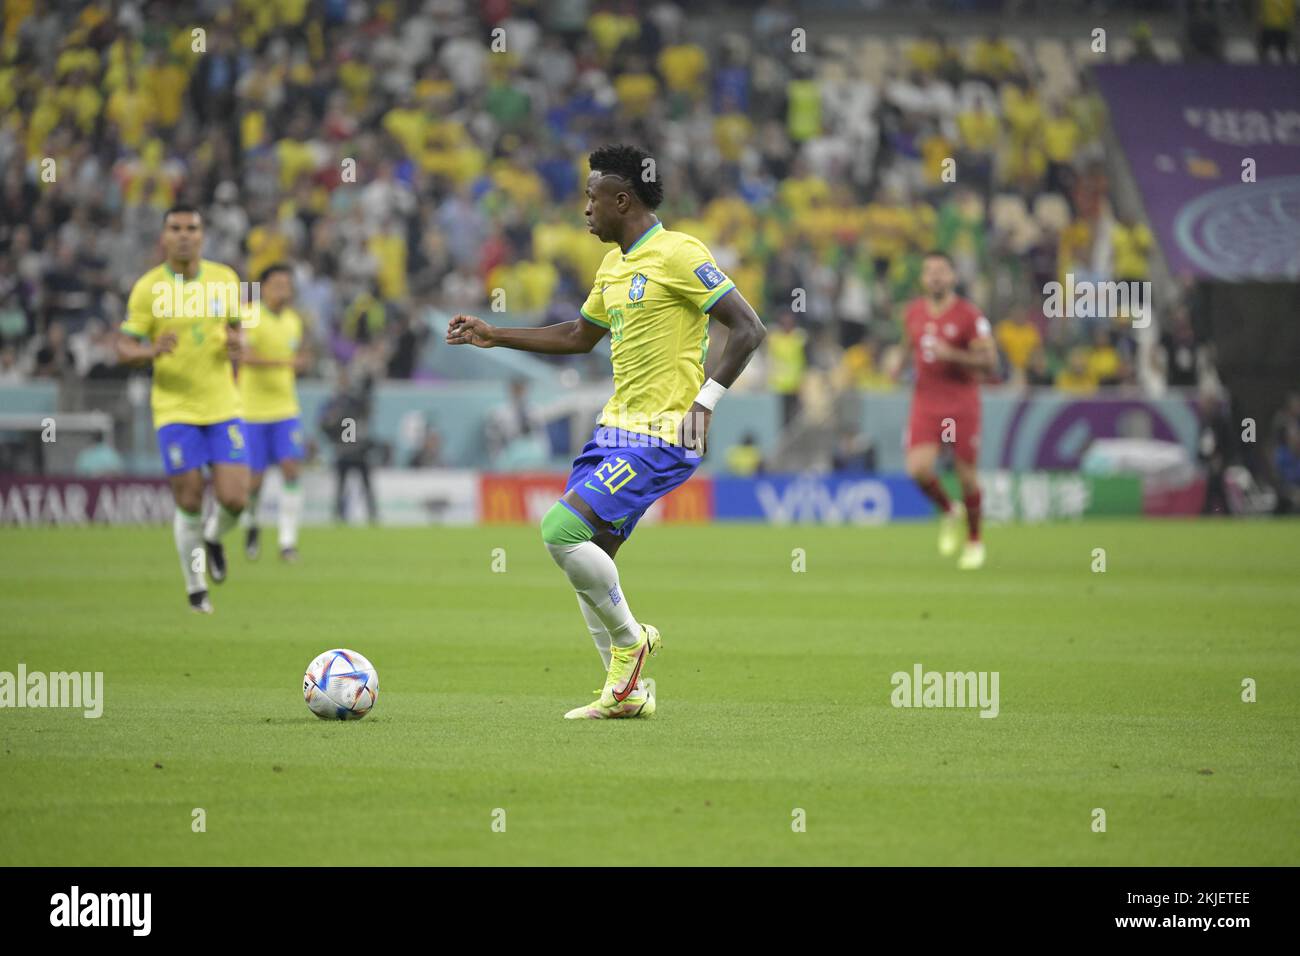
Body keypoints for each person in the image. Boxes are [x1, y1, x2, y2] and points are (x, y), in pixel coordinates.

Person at [447, 144, 766, 720]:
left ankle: (631, 643)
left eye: (592, 197)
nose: (585, 209)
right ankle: (626, 694)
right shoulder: (613, 266)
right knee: (590, 561)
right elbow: (577, 335)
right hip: (613, 431)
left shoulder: (678, 253)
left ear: (623, 199)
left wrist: (706, 404)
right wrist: (495, 335)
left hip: (664, 431)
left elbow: (748, 328)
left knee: (560, 528)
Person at [114, 205, 249, 613]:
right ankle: (196, 590)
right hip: (174, 408)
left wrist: (236, 348)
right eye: (176, 228)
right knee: (189, 498)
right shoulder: (147, 288)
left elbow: (237, 331)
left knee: (236, 499)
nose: (185, 235)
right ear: (164, 236)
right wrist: (148, 351)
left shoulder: (225, 278)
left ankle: (213, 536)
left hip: (223, 405)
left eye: (192, 227)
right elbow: (123, 348)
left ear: (203, 235)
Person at [901, 251, 997, 570]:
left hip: (960, 402)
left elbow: (990, 363)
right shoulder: (913, 313)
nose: (935, 277)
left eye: (941, 271)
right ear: (922, 278)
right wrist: (897, 365)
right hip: (927, 401)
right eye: (929, 271)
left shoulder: (969, 316)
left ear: (953, 277)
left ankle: (974, 540)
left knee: (966, 476)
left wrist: (951, 355)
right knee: (917, 469)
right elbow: (910, 347)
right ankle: (948, 510)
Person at [239, 263, 310, 563]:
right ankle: (252, 524)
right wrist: (283, 364)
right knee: (254, 479)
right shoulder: (250, 314)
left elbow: (298, 358)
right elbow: (243, 354)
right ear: (264, 287)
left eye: (287, 284)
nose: (284, 289)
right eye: (277, 284)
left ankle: (287, 541)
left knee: (291, 469)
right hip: (252, 410)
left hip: (285, 409)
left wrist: (300, 363)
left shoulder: (294, 320)